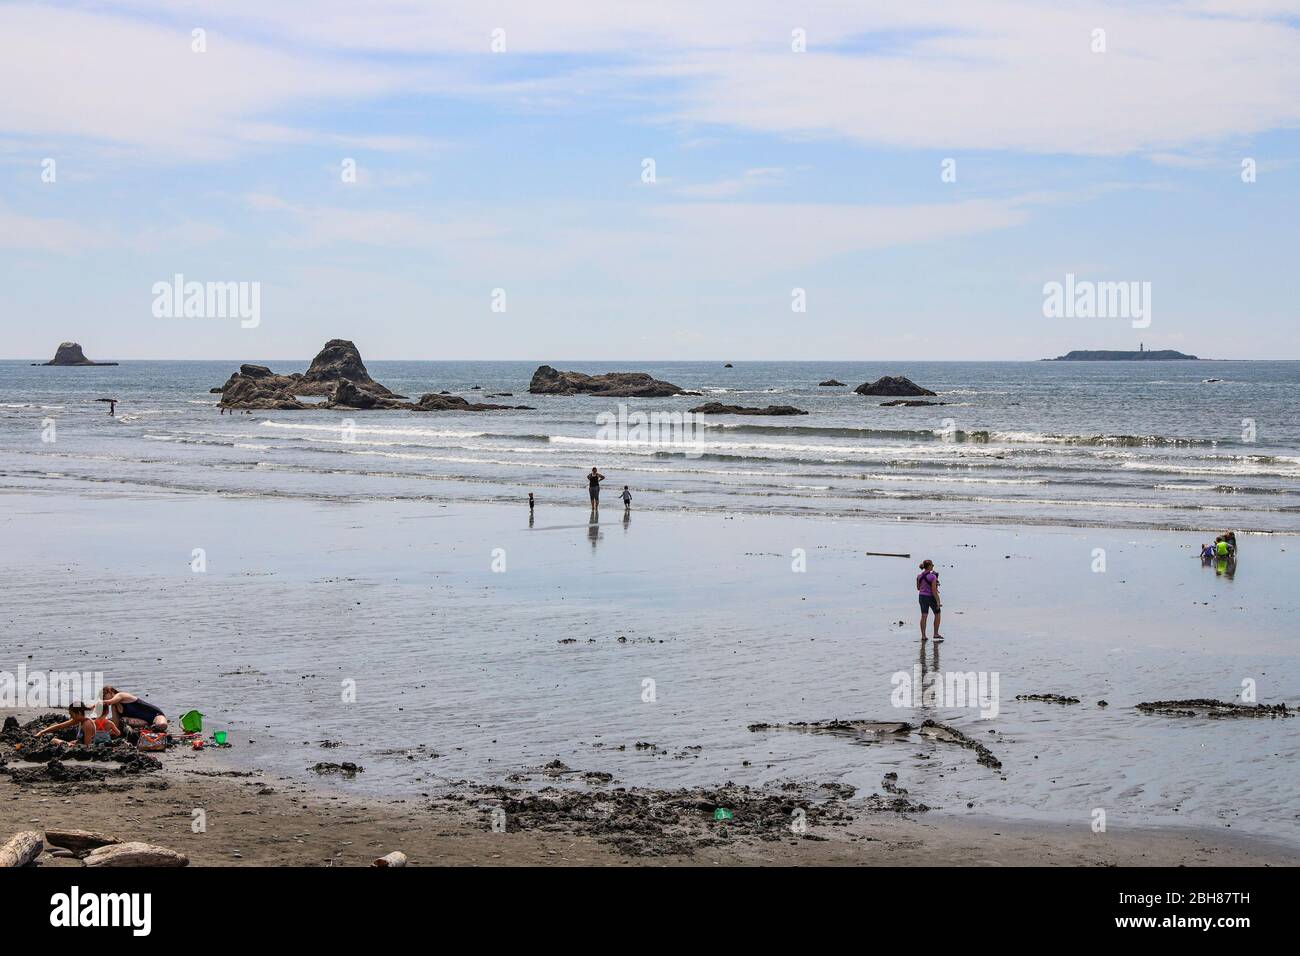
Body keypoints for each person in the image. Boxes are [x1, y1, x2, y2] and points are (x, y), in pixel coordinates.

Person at [101, 686, 169, 732]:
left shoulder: (121, 695)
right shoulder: (114, 707)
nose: (103, 697)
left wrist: (94, 705)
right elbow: (116, 723)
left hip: (155, 716)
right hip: (143, 722)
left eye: (104, 694)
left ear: (111, 691)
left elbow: (109, 702)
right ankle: (148, 729)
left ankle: (152, 728)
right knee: (123, 720)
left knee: (162, 725)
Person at [916, 560, 943, 642]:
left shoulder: (919, 576)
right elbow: (934, 591)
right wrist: (938, 601)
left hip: (921, 597)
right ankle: (935, 634)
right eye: (932, 564)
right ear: (929, 566)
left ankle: (923, 636)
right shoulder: (933, 576)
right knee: (937, 614)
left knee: (924, 615)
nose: (933, 566)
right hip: (930, 597)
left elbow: (918, 588)